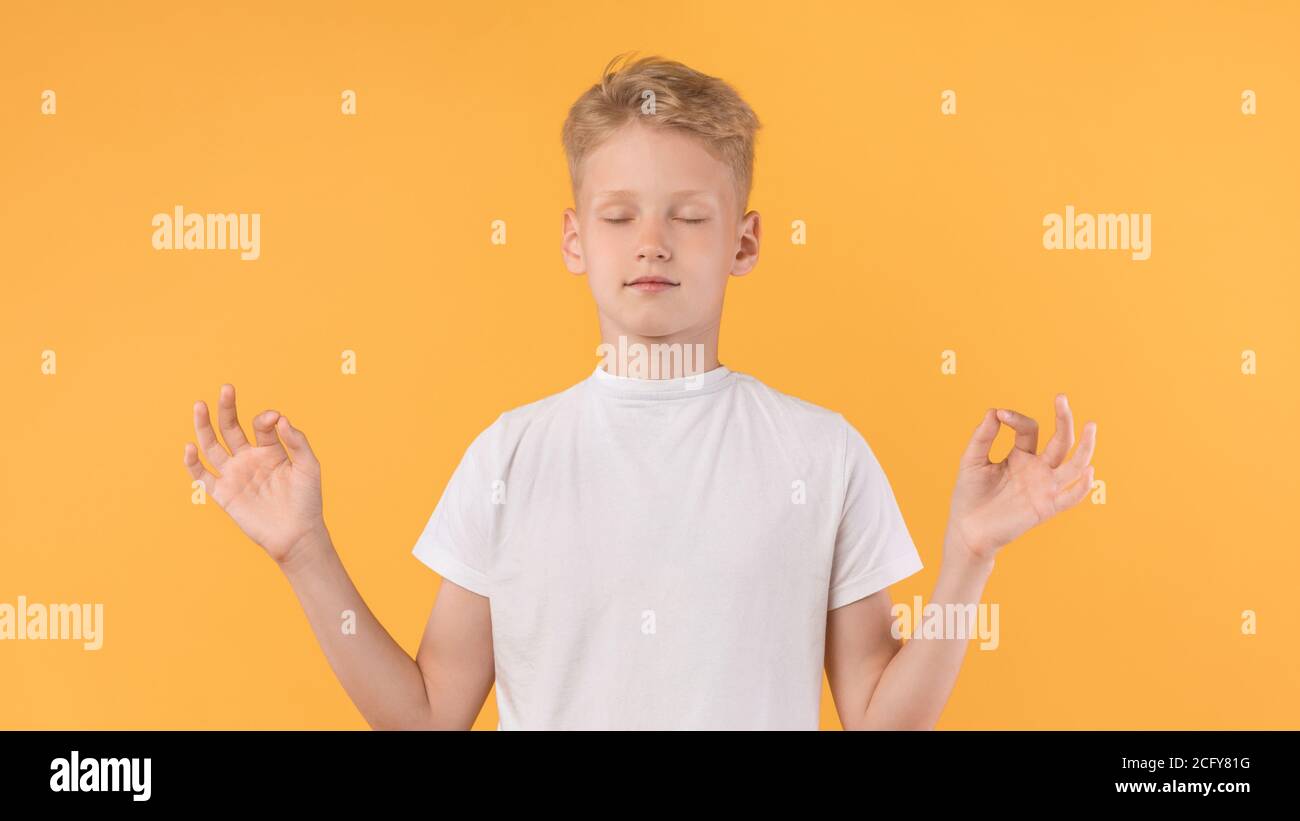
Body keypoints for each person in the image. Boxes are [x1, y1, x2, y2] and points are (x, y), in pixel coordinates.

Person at [182, 52, 1097, 730]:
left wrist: (968, 555)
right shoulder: (511, 455)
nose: (652, 241)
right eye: (619, 216)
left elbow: (881, 720)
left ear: (743, 242)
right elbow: (427, 715)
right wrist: (304, 551)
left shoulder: (822, 454)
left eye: (688, 216)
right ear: (575, 241)